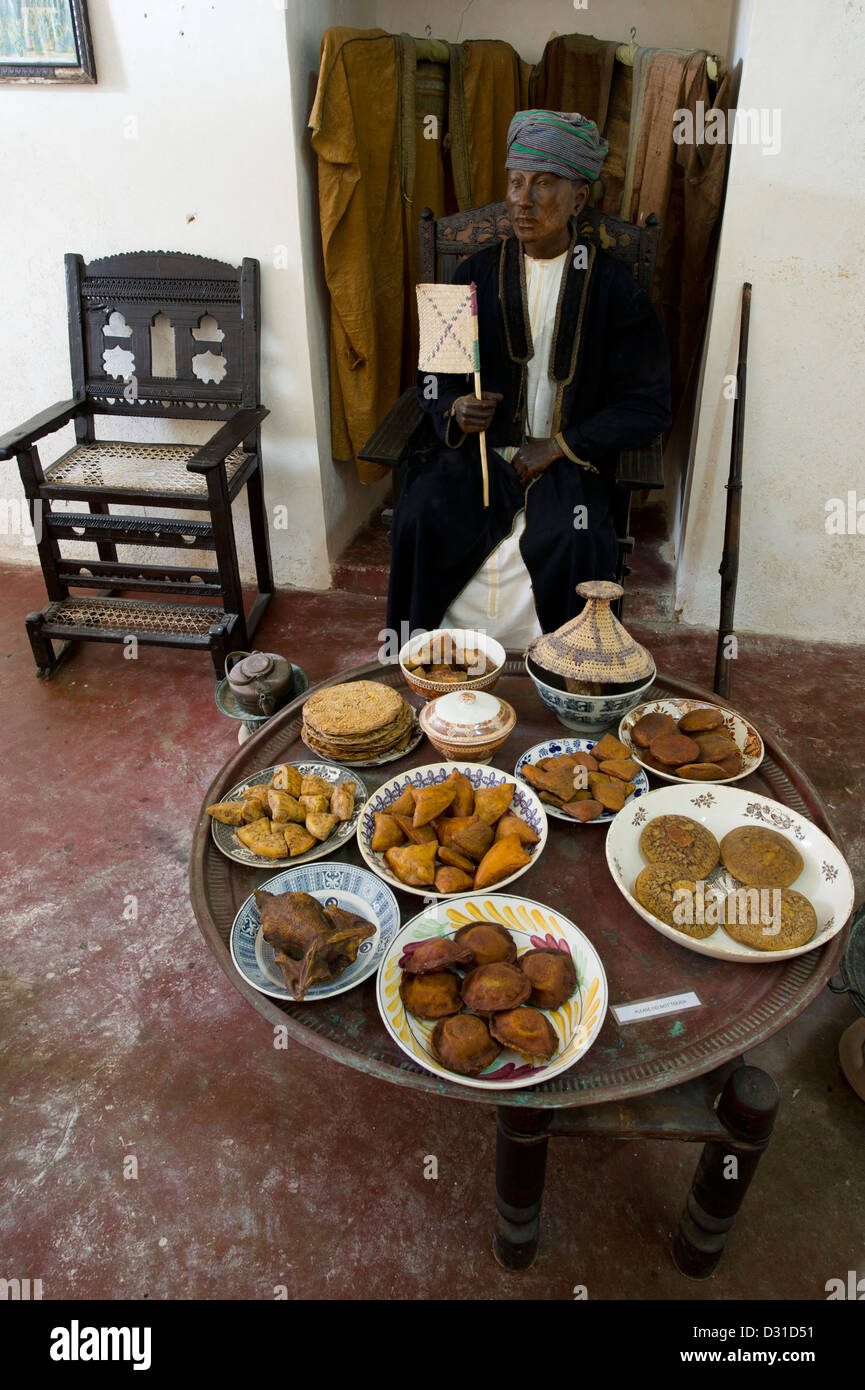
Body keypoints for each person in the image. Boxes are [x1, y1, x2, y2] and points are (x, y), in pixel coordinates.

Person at [386, 109, 672, 646]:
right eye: (516, 182)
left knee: (574, 534)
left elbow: (649, 406)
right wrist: (453, 409)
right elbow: (432, 378)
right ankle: (428, 658)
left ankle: (561, 672)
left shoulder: (616, 292)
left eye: (544, 184)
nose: (522, 199)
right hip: (476, 454)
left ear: (578, 198)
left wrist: (561, 445)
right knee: (422, 513)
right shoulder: (469, 274)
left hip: (568, 462)